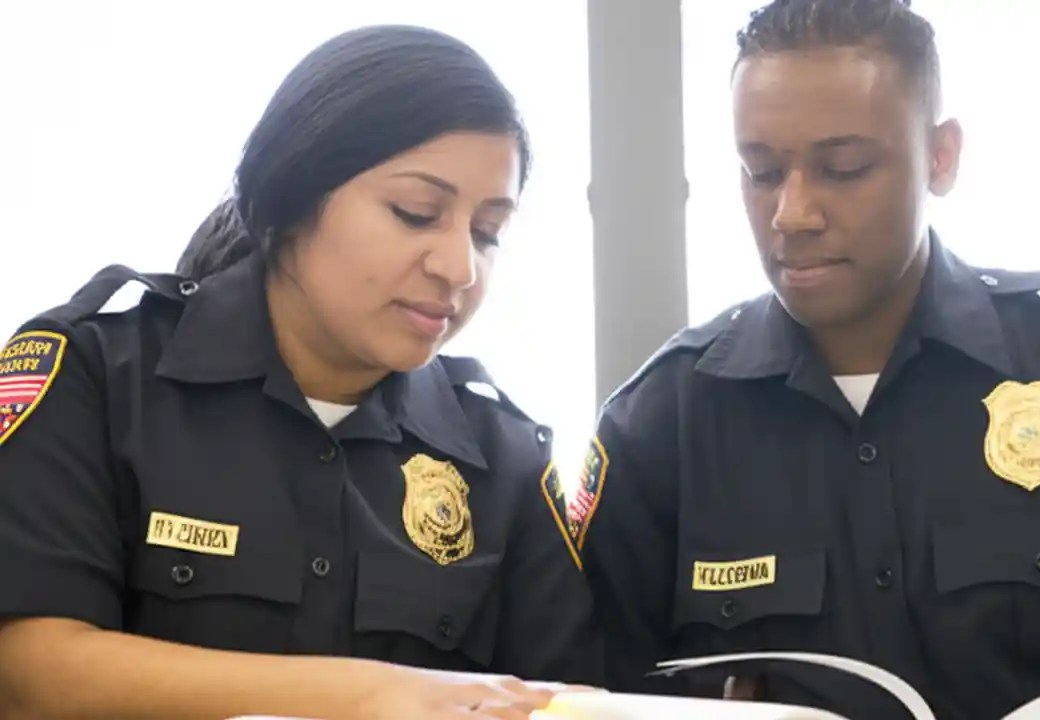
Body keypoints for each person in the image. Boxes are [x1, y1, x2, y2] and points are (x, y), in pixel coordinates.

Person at [566, 1, 1040, 718]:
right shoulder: (660, 425)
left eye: (843, 168)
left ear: (940, 157)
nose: (793, 212)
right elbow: (572, 702)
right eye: (760, 172)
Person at [0, 25, 596, 720]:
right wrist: (376, 695)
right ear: (291, 197)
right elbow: (30, 676)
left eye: (488, 231)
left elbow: (567, 704)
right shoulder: (96, 377)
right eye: (416, 214)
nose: (459, 267)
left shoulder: (505, 459)